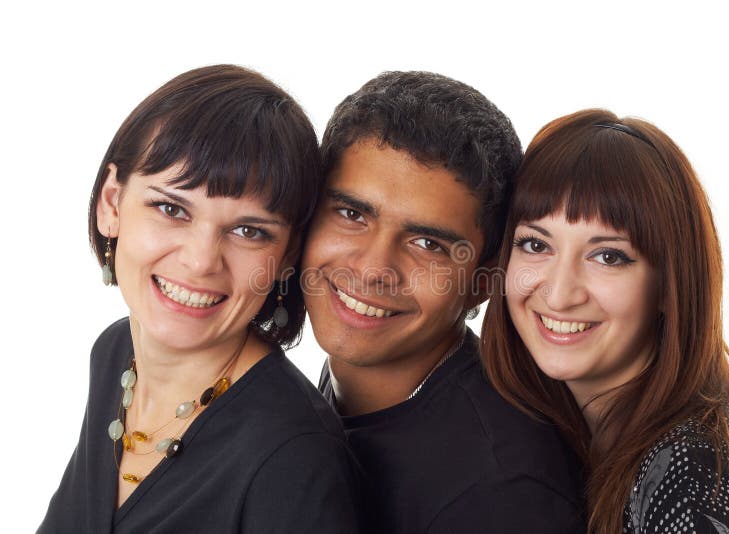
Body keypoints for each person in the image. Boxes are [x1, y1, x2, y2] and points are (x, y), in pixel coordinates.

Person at [39, 65, 362, 534]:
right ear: (111, 203)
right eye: (171, 209)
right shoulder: (115, 354)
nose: (200, 261)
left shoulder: (293, 456)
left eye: (248, 231)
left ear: (287, 255)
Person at [482, 108, 729, 533]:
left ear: (671, 285)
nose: (559, 293)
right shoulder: (602, 439)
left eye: (608, 256)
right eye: (536, 244)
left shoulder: (693, 480)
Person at [302, 71, 585, 533]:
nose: (374, 268)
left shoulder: (501, 496)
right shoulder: (352, 383)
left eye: (428, 244)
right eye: (352, 214)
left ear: (484, 279)